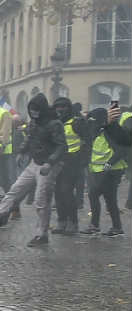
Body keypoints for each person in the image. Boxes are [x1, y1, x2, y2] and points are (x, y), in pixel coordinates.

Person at [0, 92, 67, 247]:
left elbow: (62, 146)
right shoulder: (34, 122)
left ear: (42, 109)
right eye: (31, 110)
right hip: (35, 163)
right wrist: (22, 152)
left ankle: (42, 234)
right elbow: (30, 138)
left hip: (48, 166)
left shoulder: (54, 124)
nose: (33, 113)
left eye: (36, 110)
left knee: (41, 200)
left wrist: (50, 163)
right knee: (15, 190)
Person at [84, 102, 129, 236]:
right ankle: (109, 227)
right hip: (99, 170)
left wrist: (109, 164)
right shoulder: (97, 131)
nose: (91, 123)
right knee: (103, 197)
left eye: (93, 120)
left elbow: (121, 150)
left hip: (111, 171)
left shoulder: (110, 132)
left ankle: (103, 226)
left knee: (101, 196)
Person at [52, 97, 91, 235]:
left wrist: (82, 160)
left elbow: (87, 141)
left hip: (73, 162)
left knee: (67, 192)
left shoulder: (77, 122)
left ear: (68, 108)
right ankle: (61, 222)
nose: (59, 110)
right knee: (58, 193)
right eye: (57, 107)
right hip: (58, 163)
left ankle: (73, 223)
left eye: (63, 107)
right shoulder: (56, 124)